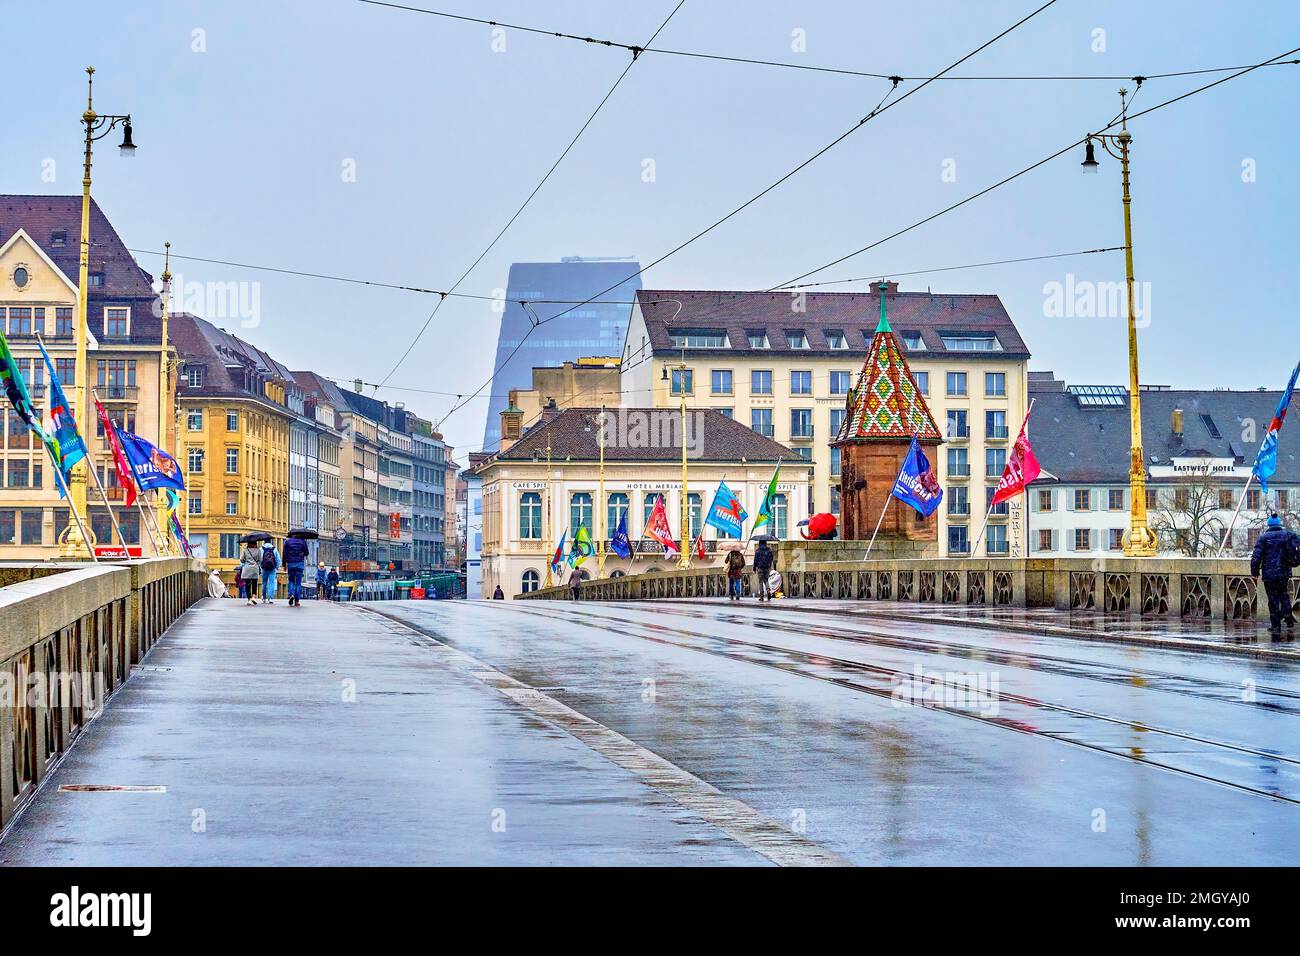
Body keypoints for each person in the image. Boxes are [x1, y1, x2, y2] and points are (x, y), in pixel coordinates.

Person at [1251, 513, 1300, 638]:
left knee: (1273, 599)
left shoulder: (1263, 538)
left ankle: (1276, 625)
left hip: (1269, 574)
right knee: (1284, 595)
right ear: (1279, 524)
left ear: (1269, 525)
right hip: (1284, 572)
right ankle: (1289, 620)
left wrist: (1255, 572)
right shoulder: (1288, 535)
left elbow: (1256, 557)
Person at [282, 535, 311, 607]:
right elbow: (307, 553)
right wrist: (302, 553)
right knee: (298, 583)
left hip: (291, 563)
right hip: (299, 564)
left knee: (291, 580)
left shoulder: (287, 542)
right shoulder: (303, 541)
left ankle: (291, 594)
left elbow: (284, 554)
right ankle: (297, 601)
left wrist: (284, 565)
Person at [239, 541, 262, 606]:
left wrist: (247, 560)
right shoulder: (258, 550)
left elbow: (242, 560)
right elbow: (260, 560)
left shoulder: (245, 550)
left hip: (247, 569)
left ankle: (249, 599)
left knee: (247, 585)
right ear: (255, 543)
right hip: (255, 569)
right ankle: (254, 597)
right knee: (255, 583)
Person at [260, 540, 282, 604]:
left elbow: (260, 559)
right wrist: (277, 567)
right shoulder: (274, 549)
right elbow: (278, 559)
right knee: (271, 582)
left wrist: (260, 566)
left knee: (264, 582)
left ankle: (264, 597)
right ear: (271, 542)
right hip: (272, 568)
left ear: (264, 542)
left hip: (264, 568)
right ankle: (270, 598)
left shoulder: (261, 549)